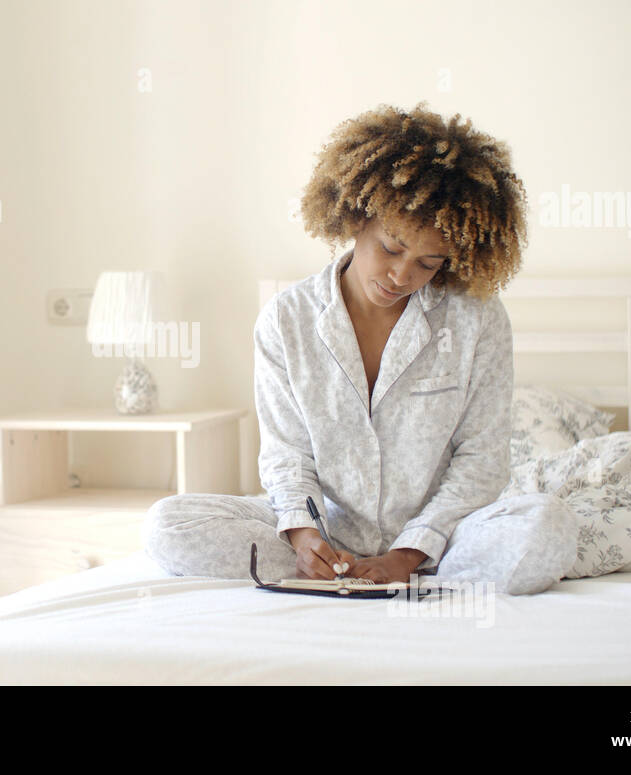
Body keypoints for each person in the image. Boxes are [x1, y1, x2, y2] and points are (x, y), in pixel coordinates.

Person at [143, 102, 578, 595]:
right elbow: (287, 455)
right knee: (167, 524)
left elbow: (482, 458)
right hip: (327, 531)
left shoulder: (477, 318)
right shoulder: (287, 319)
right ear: (355, 217)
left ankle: (412, 573)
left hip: (445, 537)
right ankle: (332, 570)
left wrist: (410, 551)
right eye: (391, 249)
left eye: (428, 263)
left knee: (549, 525)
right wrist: (306, 538)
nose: (402, 276)